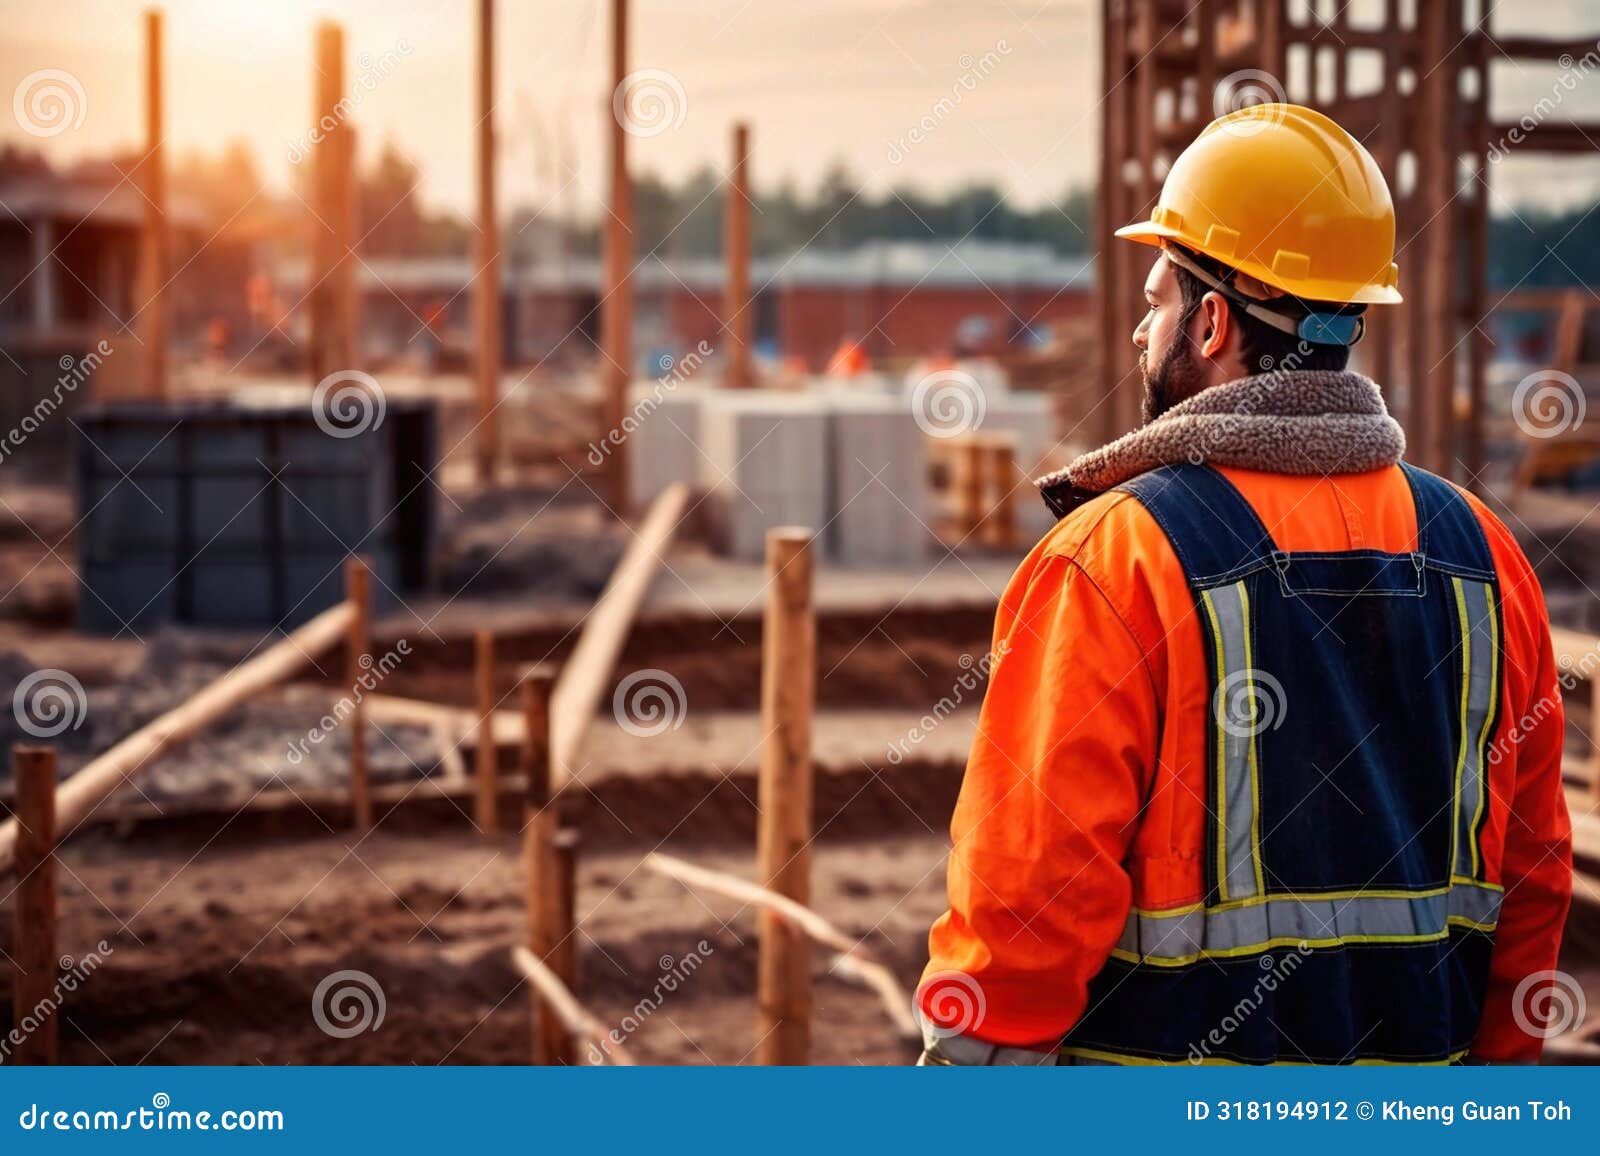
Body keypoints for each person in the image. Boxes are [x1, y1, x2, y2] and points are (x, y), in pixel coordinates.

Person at [918, 104, 1573, 1065]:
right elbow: (1534, 880)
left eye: (1157, 301)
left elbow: (1026, 906)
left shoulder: (1117, 558)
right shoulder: (1483, 553)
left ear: (1213, 321)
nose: (1146, 330)